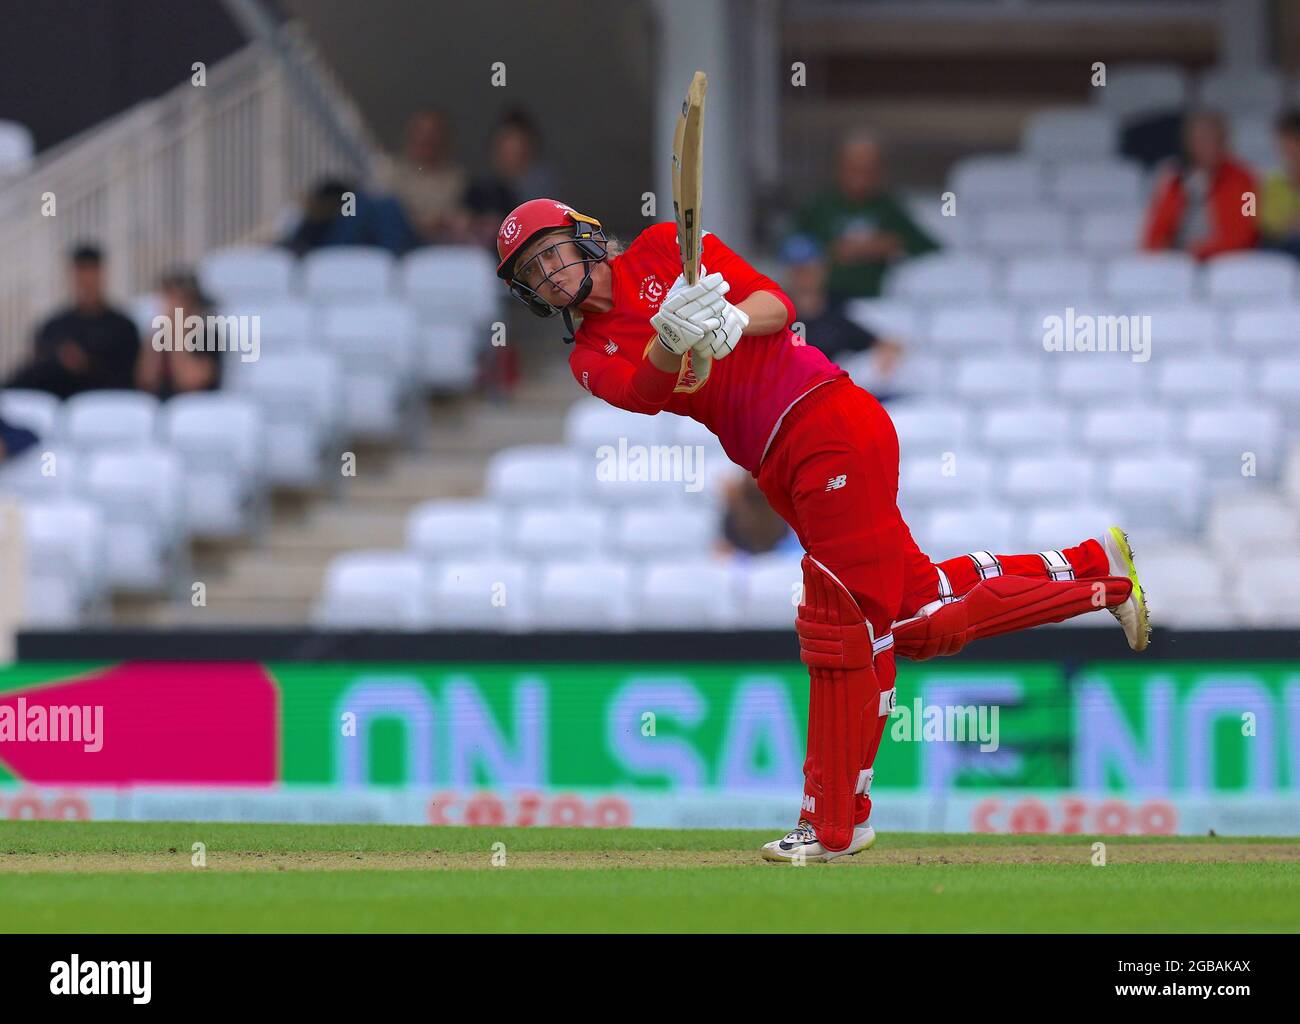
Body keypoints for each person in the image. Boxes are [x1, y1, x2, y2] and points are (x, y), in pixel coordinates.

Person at [493, 198, 1150, 863]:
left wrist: (729, 318)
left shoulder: (666, 245)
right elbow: (645, 391)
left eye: (552, 253)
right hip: (777, 463)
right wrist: (671, 336)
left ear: (583, 238)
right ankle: (1092, 569)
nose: (549, 273)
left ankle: (834, 823)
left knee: (848, 629)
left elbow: (776, 304)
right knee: (919, 610)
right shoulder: (588, 355)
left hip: (825, 420)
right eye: (533, 271)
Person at [795, 132, 938, 305]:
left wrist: (886, 245)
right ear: (839, 168)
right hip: (824, 300)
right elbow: (790, 245)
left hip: (876, 302)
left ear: (881, 171)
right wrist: (826, 252)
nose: (861, 178)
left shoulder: (888, 208)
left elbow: (929, 250)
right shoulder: (820, 206)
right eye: (854, 169)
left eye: (869, 170)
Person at [4, 244, 140, 398]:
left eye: (91, 272)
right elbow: (36, 368)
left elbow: (127, 378)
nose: (87, 280)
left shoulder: (123, 327)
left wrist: (87, 366)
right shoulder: (53, 326)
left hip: (102, 402)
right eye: (81, 272)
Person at [780, 234, 904, 396]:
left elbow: (881, 342)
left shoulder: (837, 308)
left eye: (809, 269)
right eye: (798, 271)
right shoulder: (777, 315)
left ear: (821, 270)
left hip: (830, 392)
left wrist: (885, 350)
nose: (804, 277)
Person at [1141, 110, 1258, 259]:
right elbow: (1154, 235)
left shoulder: (1245, 180)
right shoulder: (1174, 181)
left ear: (1223, 141)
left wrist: (1200, 251)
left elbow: (1247, 234)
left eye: (1209, 139)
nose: (1203, 146)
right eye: (1198, 140)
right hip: (1181, 262)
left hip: (1226, 262)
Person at [375, 109, 472, 244]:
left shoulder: (455, 178)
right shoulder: (389, 169)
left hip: (426, 244)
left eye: (432, 133)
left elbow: (449, 220)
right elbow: (380, 215)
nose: (425, 138)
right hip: (387, 239)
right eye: (420, 132)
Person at [465, 110, 558, 247]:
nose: (509, 154)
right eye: (503, 148)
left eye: (516, 148)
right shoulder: (481, 187)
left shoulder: (542, 185)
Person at [135, 270, 222, 400]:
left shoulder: (208, 335)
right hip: (160, 406)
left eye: (175, 299)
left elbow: (190, 382)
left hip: (196, 409)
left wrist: (178, 332)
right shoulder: (158, 335)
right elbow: (146, 380)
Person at [1260, 109, 1300, 259]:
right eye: (1286, 144)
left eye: (1295, 143)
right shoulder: (1271, 182)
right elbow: (1263, 222)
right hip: (1280, 249)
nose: (1290, 151)